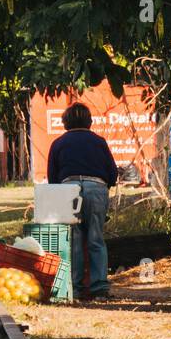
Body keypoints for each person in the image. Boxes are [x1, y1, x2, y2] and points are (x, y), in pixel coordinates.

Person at [47, 102, 118, 300]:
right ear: (89, 121)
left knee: (75, 241)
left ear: (65, 122)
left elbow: (52, 177)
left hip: (68, 189)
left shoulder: (59, 143)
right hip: (96, 189)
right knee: (96, 239)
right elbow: (112, 173)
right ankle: (99, 289)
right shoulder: (99, 142)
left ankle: (76, 289)